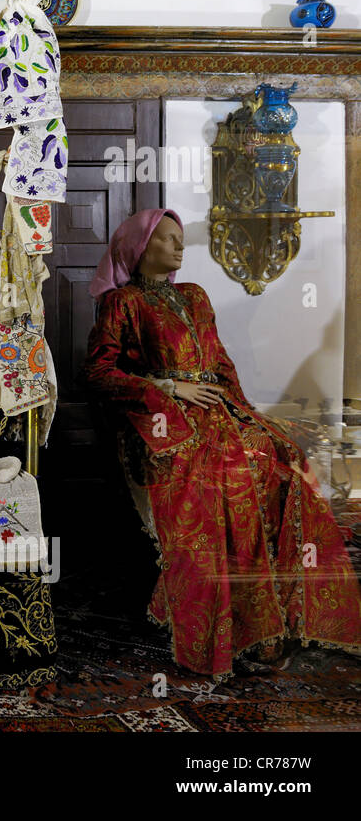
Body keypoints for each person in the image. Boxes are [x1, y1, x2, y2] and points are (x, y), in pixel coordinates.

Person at [82, 208, 361, 679]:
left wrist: (248, 412)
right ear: (140, 249)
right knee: (232, 474)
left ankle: (284, 612)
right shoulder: (123, 303)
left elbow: (222, 362)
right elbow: (100, 373)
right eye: (167, 240)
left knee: (284, 458)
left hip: (219, 409)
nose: (179, 246)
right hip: (168, 418)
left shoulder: (195, 295)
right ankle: (244, 627)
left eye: (179, 239)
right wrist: (169, 388)